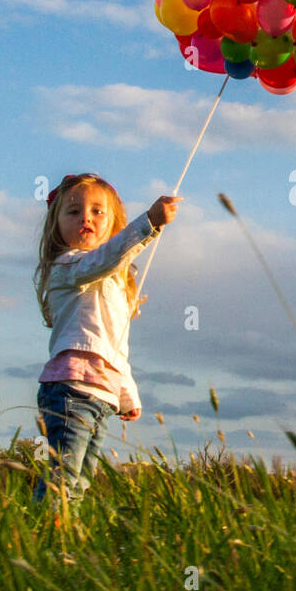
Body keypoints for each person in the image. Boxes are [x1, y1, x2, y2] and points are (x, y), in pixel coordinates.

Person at [31, 172, 181, 511]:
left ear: (113, 224)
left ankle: (64, 540)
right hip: (71, 389)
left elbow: (116, 345)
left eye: (98, 211)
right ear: (56, 227)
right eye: (73, 212)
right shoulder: (67, 266)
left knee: (81, 479)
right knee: (64, 475)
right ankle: (43, 532)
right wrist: (150, 225)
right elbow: (105, 259)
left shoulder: (111, 281)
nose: (86, 217)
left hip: (101, 396)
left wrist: (127, 394)